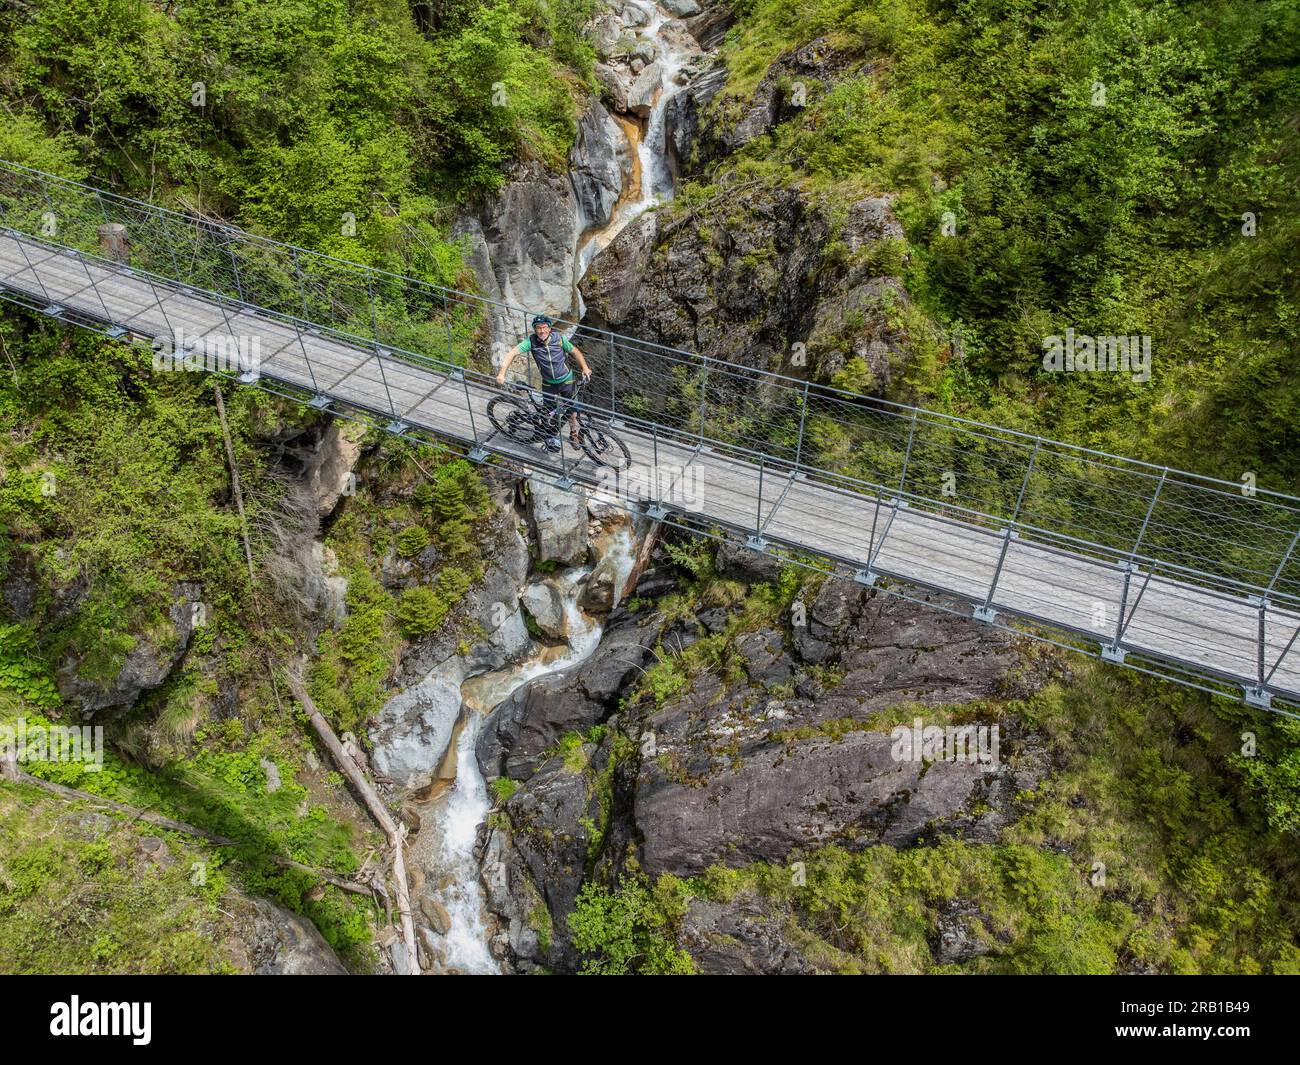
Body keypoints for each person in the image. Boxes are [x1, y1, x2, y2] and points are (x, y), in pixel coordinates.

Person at [495, 315, 592, 452]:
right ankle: (549, 436)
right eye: (538, 328)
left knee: (573, 409)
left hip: (567, 379)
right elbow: (512, 353)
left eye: (544, 327)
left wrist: (585, 368)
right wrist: (501, 373)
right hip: (549, 383)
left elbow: (574, 351)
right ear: (535, 330)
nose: (541, 331)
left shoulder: (559, 339)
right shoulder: (531, 342)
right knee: (548, 413)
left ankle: (574, 434)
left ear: (549, 328)